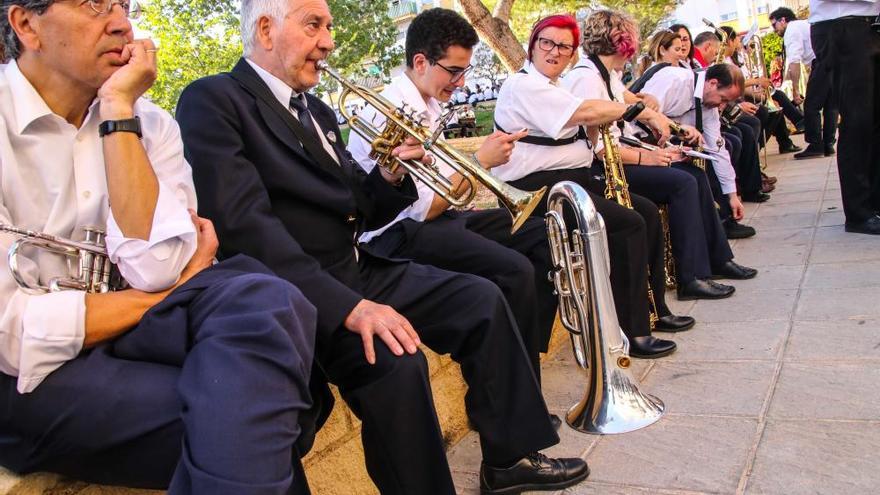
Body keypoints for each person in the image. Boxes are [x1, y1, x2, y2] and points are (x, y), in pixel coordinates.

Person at [175, 1, 590, 494]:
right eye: (314, 26)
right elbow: (245, 226)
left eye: (327, 26)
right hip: (295, 292)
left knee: (482, 300)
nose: (328, 40)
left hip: (356, 268)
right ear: (266, 30)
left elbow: (358, 205)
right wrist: (347, 307)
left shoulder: (318, 109)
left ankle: (509, 459)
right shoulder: (214, 99)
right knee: (398, 363)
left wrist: (391, 174)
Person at [0, 1, 321, 494]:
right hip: (30, 373)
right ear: (27, 25)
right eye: (93, 6)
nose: (121, 23)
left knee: (263, 296)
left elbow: (160, 266)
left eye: (123, 6)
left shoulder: (147, 120)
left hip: (134, 325)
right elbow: (11, 334)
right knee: (261, 414)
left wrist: (118, 114)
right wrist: (153, 301)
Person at [348, 8, 561, 380]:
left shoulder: (428, 103)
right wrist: (481, 160)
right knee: (514, 270)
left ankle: (524, 366)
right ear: (420, 61)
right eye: (454, 70)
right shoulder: (396, 110)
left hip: (434, 221)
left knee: (542, 234)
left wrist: (478, 164)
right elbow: (428, 207)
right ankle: (505, 393)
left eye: (464, 71)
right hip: (396, 236)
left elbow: (450, 189)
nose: (461, 82)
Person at [492, 13, 685, 356]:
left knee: (645, 212)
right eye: (546, 43)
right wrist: (642, 112)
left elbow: (591, 122)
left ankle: (653, 311)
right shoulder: (522, 85)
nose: (554, 51)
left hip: (572, 179)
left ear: (572, 53)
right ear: (532, 46)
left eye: (564, 46)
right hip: (538, 188)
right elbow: (585, 113)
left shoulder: (553, 85)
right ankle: (633, 332)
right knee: (628, 225)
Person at [567, 10, 749, 300]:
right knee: (683, 183)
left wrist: (658, 119)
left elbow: (632, 103)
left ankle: (715, 260)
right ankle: (691, 276)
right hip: (601, 168)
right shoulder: (587, 78)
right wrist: (649, 156)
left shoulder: (606, 75)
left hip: (621, 154)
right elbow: (597, 148)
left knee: (695, 175)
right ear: (621, 40)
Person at [807, 0, 880, 234]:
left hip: (868, 23)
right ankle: (859, 213)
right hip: (841, 25)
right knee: (858, 121)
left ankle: (873, 203)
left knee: (874, 121)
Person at [770, 7, 839, 160]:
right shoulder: (803, 25)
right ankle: (828, 143)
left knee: (811, 105)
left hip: (821, 63)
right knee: (830, 105)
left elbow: (794, 62)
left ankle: (815, 145)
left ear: (783, 20)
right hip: (831, 61)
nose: (774, 30)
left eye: (774, 25)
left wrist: (795, 91)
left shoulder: (791, 31)